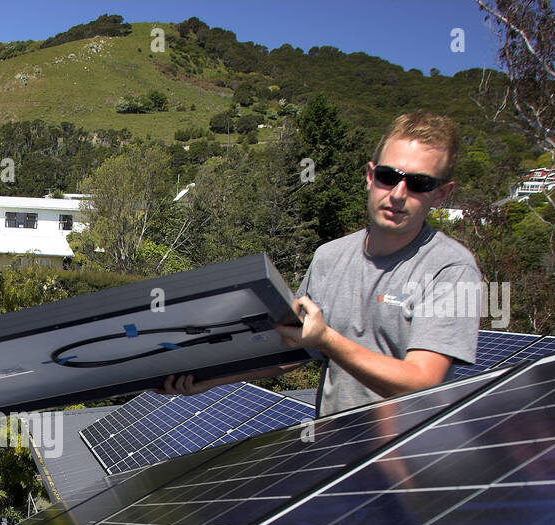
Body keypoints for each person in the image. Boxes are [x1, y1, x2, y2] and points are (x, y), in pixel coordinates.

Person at [163, 111, 481, 416]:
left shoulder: (451, 269)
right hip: (333, 443)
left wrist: (326, 338)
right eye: (388, 177)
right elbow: (296, 349)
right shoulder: (330, 256)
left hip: (405, 455)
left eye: (419, 183)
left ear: (441, 194)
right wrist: (212, 379)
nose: (398, 194)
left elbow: (421, 383)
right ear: (370, 177)